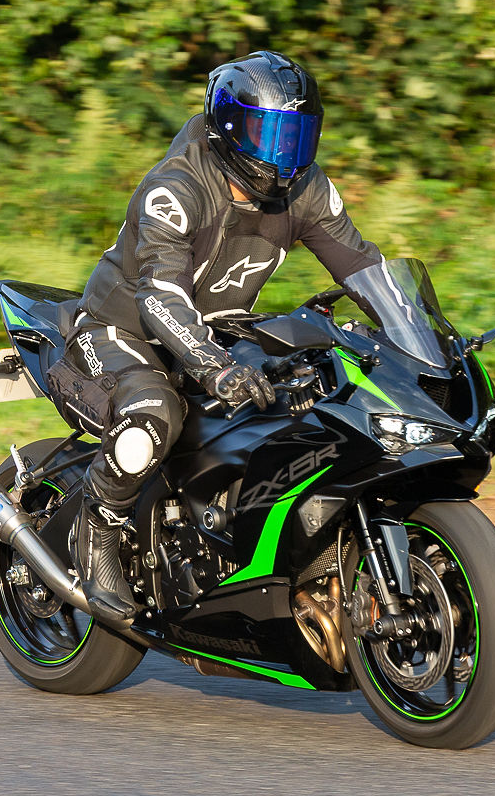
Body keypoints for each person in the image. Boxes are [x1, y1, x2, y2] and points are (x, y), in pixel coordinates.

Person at [64, 50, 385, 625]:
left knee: (309, 398)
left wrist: (422, 340)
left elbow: (363, 266)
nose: (284, 154)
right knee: (151, 415)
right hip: (124, 330)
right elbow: (160, 296)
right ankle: (100, 529)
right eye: (268, 134)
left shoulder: (306, 189)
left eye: (297, 135)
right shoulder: (178, 187)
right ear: (230, 127)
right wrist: (217, 368)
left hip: (216, 333)